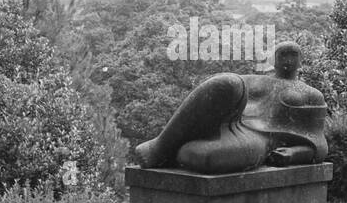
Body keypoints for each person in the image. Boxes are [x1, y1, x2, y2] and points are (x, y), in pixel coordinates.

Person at [134, 41, 328, 174]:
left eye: (293, 55)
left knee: (204, 157)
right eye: (283, 54)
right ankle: (160, 146)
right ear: (274, 59)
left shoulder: (311, 94)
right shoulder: (255, 80)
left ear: (301, 59)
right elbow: (214, 95)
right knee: (227, 82)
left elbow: (318, 143)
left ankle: (174, 150)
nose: (288, 59)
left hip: (258, 138)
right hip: (231, 119)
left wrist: (295, 154)